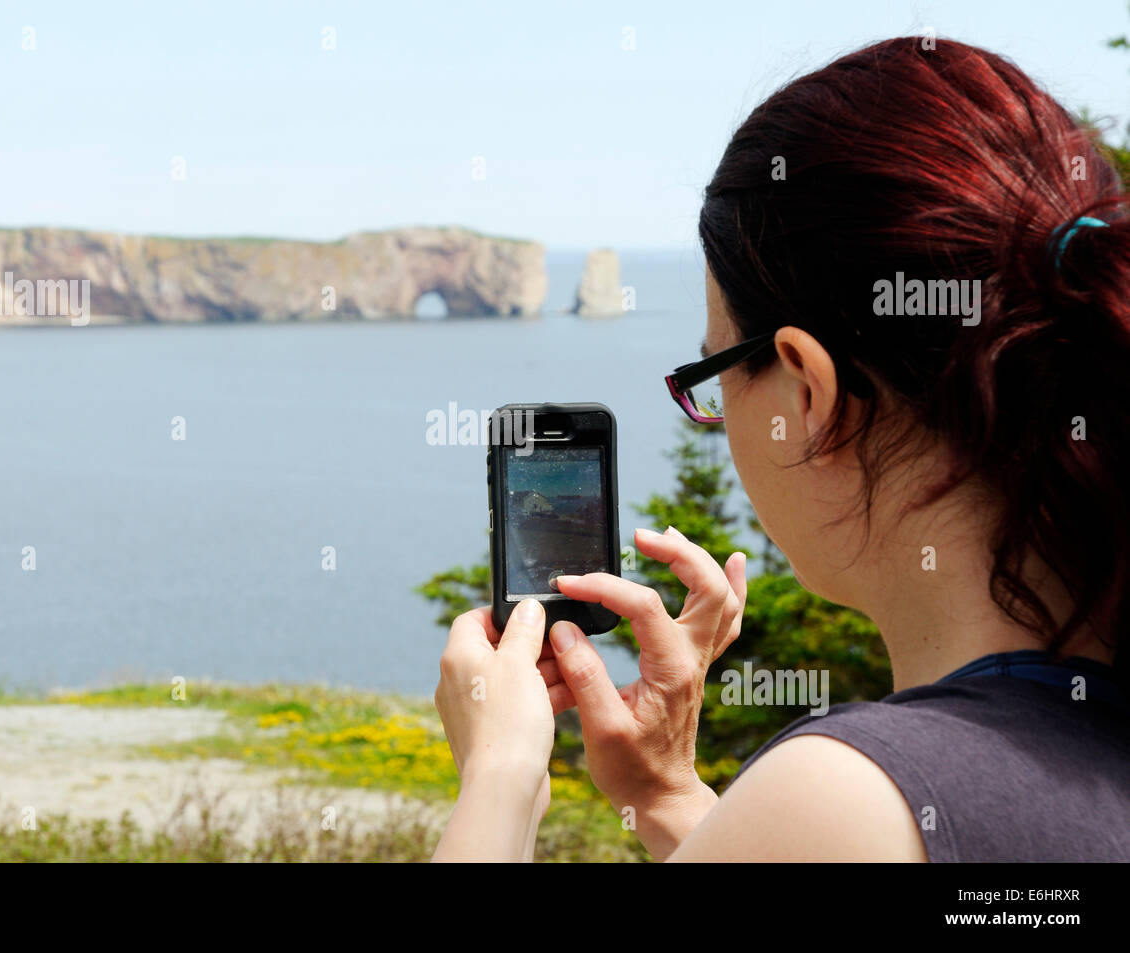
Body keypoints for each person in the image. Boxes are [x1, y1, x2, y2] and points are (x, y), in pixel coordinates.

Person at [431, 36, 1130, 862]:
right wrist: (665, 794)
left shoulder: (841, 797)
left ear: (807, 389)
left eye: (713, 371)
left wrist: (501, 775)